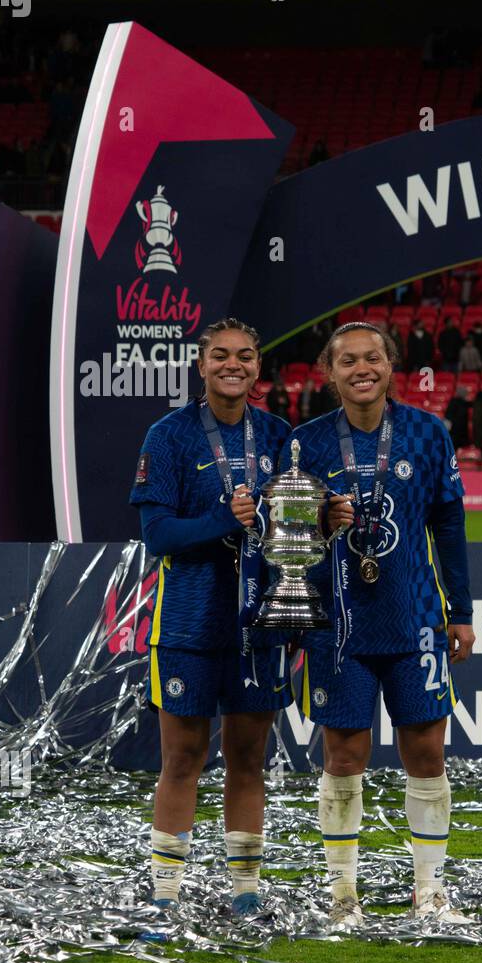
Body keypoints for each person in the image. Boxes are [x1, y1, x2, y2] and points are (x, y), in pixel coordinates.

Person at [282, 321, 475, 927]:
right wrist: (319, 524)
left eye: (372, 358)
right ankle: (343, 894)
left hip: (415, 616)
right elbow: (286, 541)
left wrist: (461, 612)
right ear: (329, 372)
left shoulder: (426, 432)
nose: (361, 369)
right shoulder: (305, 444)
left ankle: (431, 890)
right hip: (337, 625)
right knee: (343, 757)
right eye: (347, 361)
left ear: (391, 365)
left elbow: (449, 527)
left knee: (426, 752)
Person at [128, 318, 293, 920]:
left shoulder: (278, 435)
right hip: (188, 626)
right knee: (182, 760)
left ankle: (245, 891)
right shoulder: (168, 436)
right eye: (220, 355)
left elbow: (295, 528)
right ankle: (165, 895)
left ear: (257, 367)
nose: (233, 364)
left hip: (259, 626)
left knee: (249, 761)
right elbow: (158, 535)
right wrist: (227, 518)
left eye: (245, 356)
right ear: (200, 367)